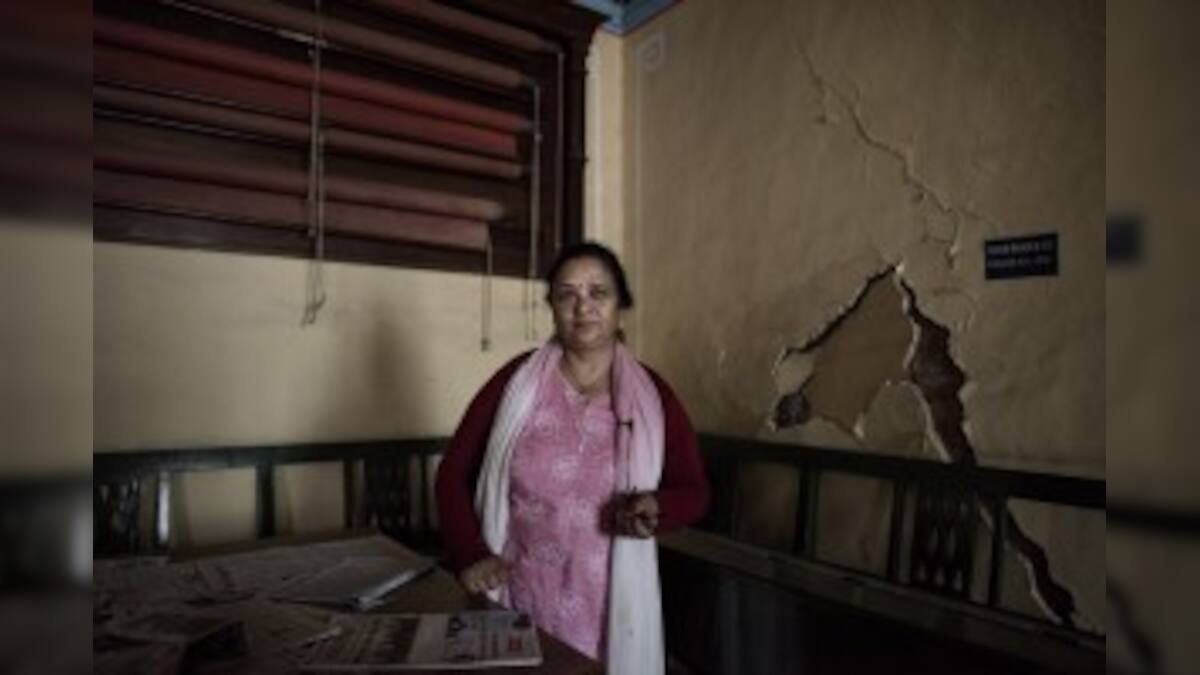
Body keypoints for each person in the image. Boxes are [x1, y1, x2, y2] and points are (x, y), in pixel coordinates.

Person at [435, 241, 710, 673]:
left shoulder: (653, 397)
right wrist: (470, 553)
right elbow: (452, 472)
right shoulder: (516, 383)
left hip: (609, 612)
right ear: (553, 307)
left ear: (621, 306)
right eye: (567, 295)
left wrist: (657, 507)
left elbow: (693, 492)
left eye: (598, 293)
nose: (583, 307)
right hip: (520, 597)